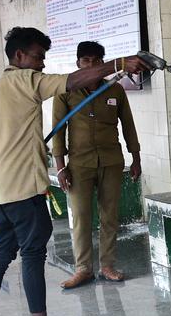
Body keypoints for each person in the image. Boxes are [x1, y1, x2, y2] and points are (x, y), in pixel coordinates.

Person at [0, 26, 153, 316]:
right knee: (33, 255)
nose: (41, 64)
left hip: (0, 187)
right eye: (37, 57)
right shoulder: (26, 80)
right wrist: (120, 62)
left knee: (0, 255)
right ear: (19, 56)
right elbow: (69, 81)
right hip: (24, 187)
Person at [51, 40, 142, 289]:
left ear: (103, 63)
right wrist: (60, 166)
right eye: (86, 61)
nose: (91, 65)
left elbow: (128, 125)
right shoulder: (65, 93)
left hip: (112, 161)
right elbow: (57, 131)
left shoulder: (115, 90)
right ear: (78, 64)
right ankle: (83, 269)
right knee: (81, 216)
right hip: (79, 164)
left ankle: (107, 265)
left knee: (109, 216)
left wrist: (136, 157)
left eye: (96, 61)